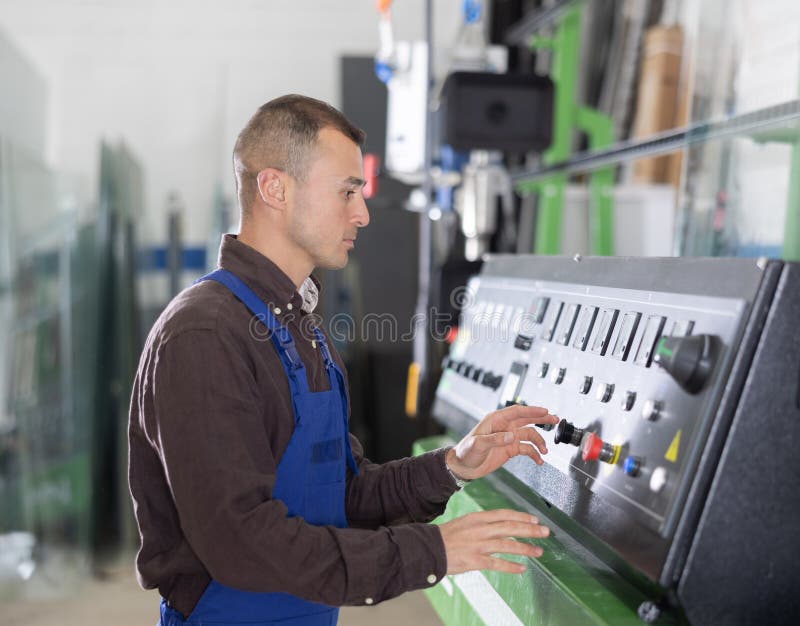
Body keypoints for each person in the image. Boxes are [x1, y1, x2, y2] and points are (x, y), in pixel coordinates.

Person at [128, 94, 558, 626]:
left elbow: (345, 495)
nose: (363, 213)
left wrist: (454, 465)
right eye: (347, 192)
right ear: (274, 188)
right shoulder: (206, 334)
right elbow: (241, 543)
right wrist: (433, 551)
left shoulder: (296, 322)